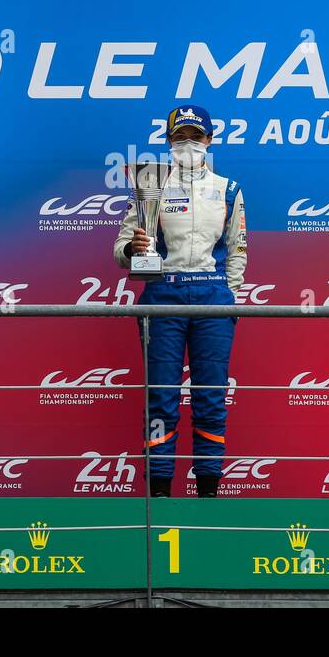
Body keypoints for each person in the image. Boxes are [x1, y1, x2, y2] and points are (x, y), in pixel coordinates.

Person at [113, 106, 247, 498]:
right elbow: (121, 250)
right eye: (180, 136)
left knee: (210, 396)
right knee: (162, 397)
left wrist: (229, 297)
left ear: (209, 140)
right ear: (169, 141)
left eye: (196, 135)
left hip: (212, 298)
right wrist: (132, 248)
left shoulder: (228, 189)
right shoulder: (148, 185)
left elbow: (237, 250)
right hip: (162, 294)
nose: (188, 143)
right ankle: (159, 496)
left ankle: (208, 493)